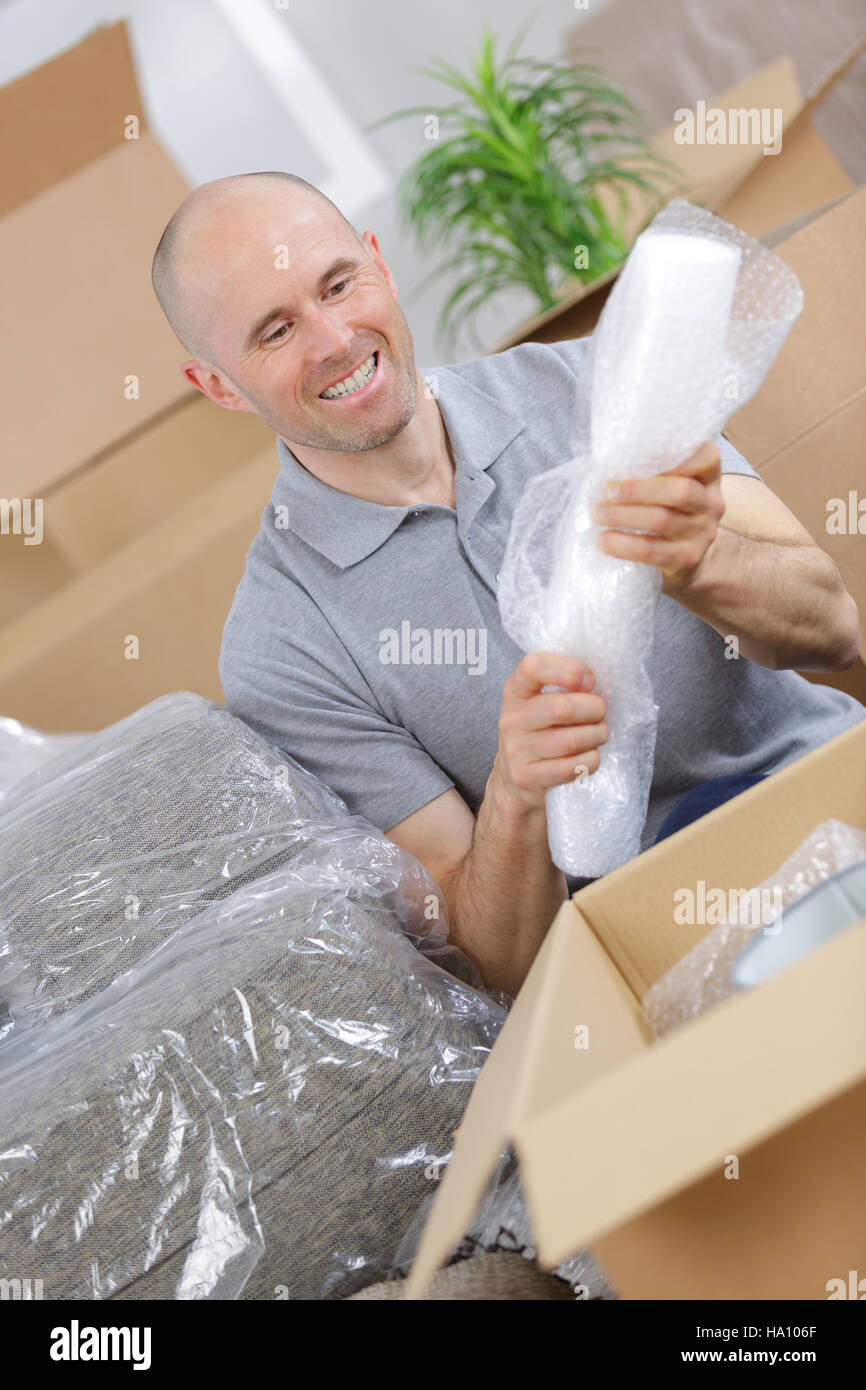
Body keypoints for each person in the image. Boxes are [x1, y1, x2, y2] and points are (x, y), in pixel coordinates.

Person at [151, 171, 864, 999]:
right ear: (217, 386)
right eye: (274, 332)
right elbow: (493, 964)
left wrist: (699, 558)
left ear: (377, 263)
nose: (335, 340)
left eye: (339, 284)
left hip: (831, 803)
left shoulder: (594, 387)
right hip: (665, 954)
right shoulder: (283, 647)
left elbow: (837, 630)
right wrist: (520, 793)